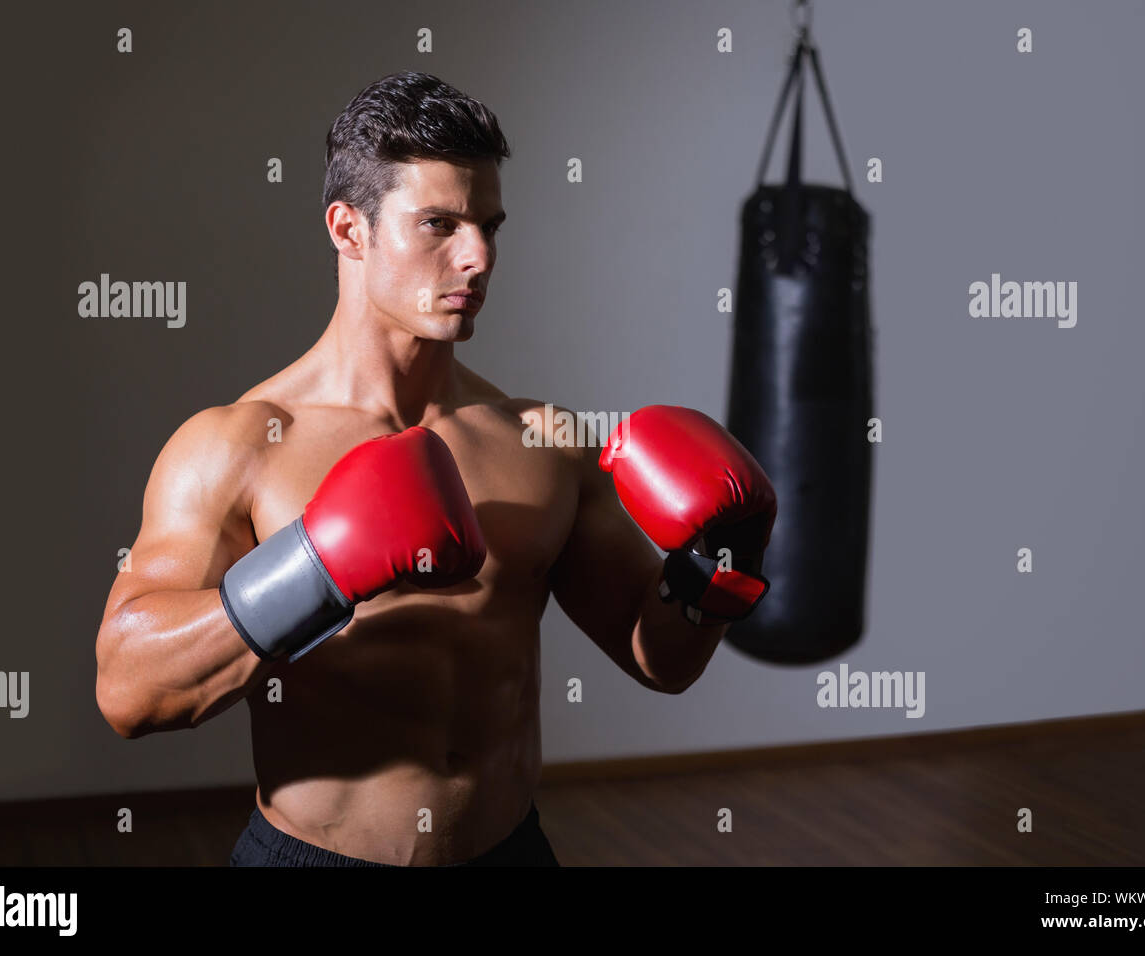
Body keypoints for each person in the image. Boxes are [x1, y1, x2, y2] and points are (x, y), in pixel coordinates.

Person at [93, 71, 776, 867]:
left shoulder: (543, 439)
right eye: (438, 223)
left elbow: (660, 662)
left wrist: (716, 562)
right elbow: (128, 693)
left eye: (490, 224)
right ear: (349, 229)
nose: (477, 256)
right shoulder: (242, 444)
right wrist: (320, 567)